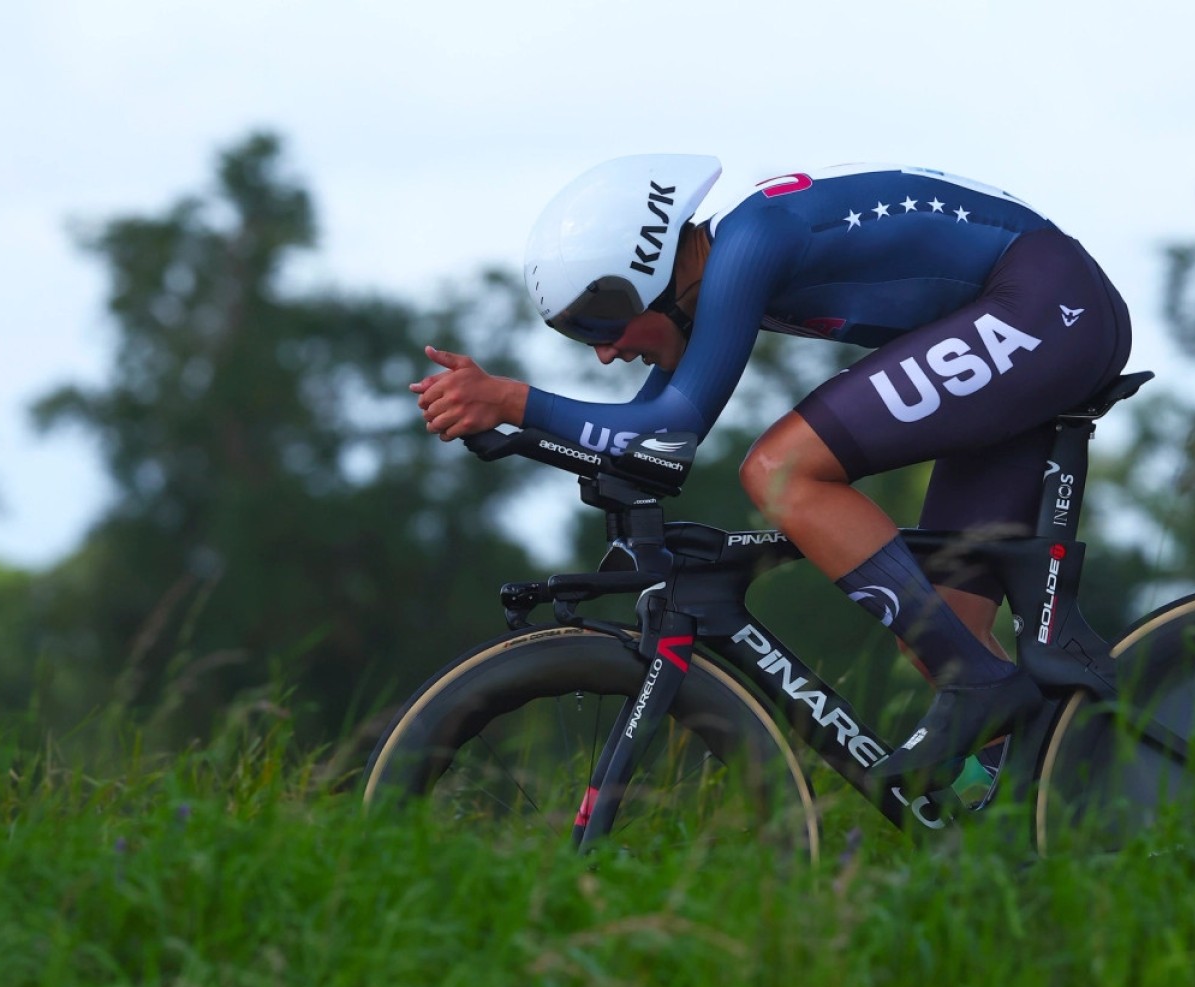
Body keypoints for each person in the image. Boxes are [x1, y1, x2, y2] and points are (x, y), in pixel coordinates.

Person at [410, 154, 1131, 787]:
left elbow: (670, 431)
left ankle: (978, 689)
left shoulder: (748, 248)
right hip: (1027, 312)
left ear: (648, 276)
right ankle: (1049, 809)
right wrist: (526, 430)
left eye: (598, 324)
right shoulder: (721, 267)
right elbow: (644, 448)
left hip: (1046, 303)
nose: (602, 353)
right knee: (940, 627)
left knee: (781, 471)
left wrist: (513, 400)